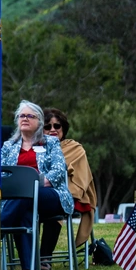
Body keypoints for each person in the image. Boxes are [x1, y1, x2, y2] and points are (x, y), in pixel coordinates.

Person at [0, 101, 73, 270]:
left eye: (30, 116)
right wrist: (22, 188)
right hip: (20, 200)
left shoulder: (51, 142)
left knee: (26, 195)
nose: (25, 118)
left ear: (39, 122)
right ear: (17, 120)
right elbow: (1, 173)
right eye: (22, 115)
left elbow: (59, 171)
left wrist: (34, 184)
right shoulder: (8, 146)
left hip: (51, 195)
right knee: (24, 210)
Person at [43, 107, 98, 254]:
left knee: (55, 205)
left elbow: (79, 179)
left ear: (63, 128)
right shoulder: (34, 148)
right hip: (39, 193)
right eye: (47, 127)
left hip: (70, 195)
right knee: (24, 206)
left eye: (57, 126)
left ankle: (44, 258)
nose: (53, 130)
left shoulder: (75, 148)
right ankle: (29, 259)